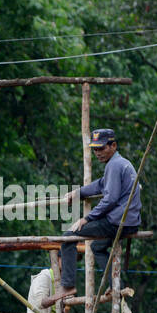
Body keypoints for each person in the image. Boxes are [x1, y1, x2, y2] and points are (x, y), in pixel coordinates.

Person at [47, 128, 142, 304]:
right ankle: (116, 284)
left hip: (118, 222)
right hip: (129, 221)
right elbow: (100, 185)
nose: (97, 153)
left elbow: (110, 199)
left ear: (113, 145)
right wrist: (77, 193)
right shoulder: (120, 163)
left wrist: (87, 218)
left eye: (101, 148)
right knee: (97, 247)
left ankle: (67, 285)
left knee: (68, 238)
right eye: (95, 149)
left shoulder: (114, 165)